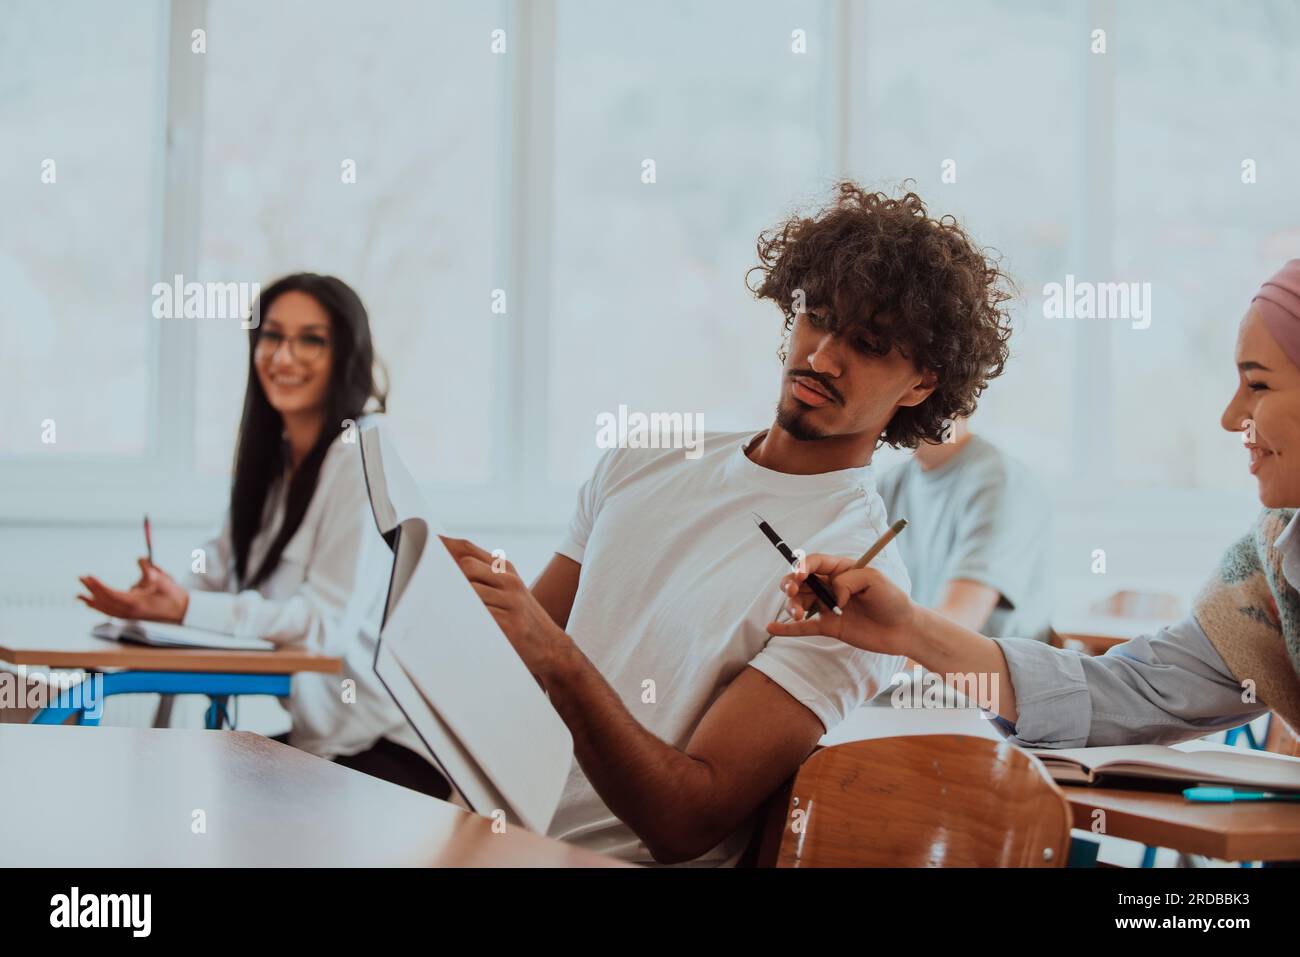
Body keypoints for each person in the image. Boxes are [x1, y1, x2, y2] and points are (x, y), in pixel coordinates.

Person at [441, 183, 1014, 864]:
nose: (823, 356)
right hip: (479, 839)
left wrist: (558, 656)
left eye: (868, 343)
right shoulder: (647, 458)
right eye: (818, 316)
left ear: (921, 384)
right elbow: (507, 669)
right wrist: (449, 607)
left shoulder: (858, 587)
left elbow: (686, 817)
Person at [768, 260, 1300, 750]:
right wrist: (906, 629)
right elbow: (1136, 694)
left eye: (1257, 384)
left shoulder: (996, 483)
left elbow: (969, 613)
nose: (1232, 418)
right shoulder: (1270, 559)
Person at [76, 273, 450, 798]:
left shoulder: (361, 452)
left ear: (346, 354)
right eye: (272, 336)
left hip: (393, 752)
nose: (283, 355)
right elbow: (219, 567)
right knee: (176, 783)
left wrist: (186, 609)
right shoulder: (275, 467)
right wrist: (166, 597)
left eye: (311, 339)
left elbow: (323, 626)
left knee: (202, 795)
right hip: (322, 742)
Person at [877, 416, 1053, 640]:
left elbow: (959, 623)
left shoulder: (1001, 484)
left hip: (979, 671)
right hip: (918, 666)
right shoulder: (889, 484)